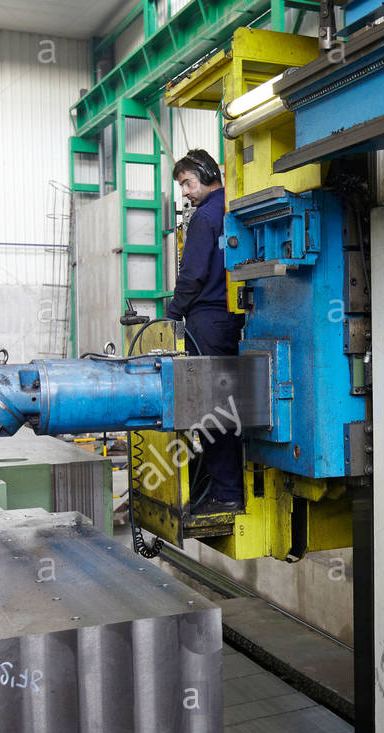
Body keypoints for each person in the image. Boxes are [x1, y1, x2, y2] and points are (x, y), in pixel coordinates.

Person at [166, 149, 245, 513]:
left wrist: (172, 312)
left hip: (205, 323)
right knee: (229, 406)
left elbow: (193, 275)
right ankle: (230, 484)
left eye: (187, 182)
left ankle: (225, 492)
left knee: (210, 410)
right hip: (232, 319)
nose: (184, 191)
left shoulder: (203, 218)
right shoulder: (233, 208)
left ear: (206, 173)